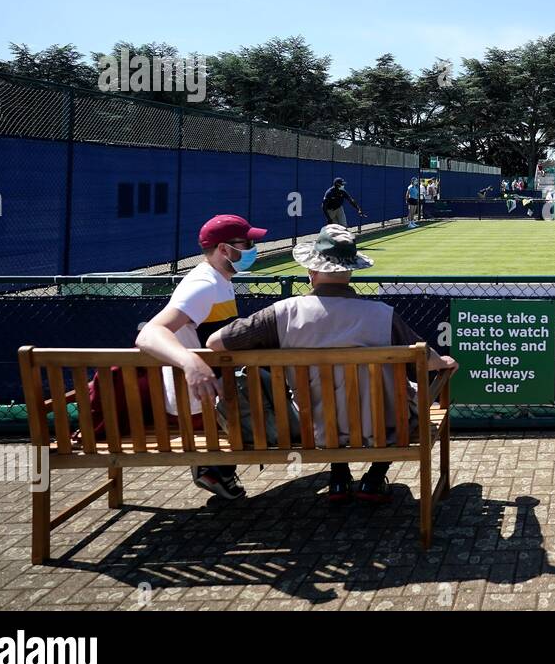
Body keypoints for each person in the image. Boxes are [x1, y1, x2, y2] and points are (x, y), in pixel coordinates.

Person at [206, 225, 458, 502]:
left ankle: (339, 477)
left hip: (314, 429)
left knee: (324, 402)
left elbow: (215, 343)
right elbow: (427, 360)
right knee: (406, 401)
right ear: (350, 271)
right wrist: (444, 361)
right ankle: (374, 478)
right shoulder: (382, 315)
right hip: (380, 428)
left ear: (311, 272)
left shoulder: (282, 313)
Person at [135, 214, 267, 500]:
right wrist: (190, 362)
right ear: (223, 249)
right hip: (203, 407)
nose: (253, 248)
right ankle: (214, 465)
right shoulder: (204, 284)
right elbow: (149, 333)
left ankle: (216, 467)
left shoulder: (217, 279)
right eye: (246, 243)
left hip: (207, 401)